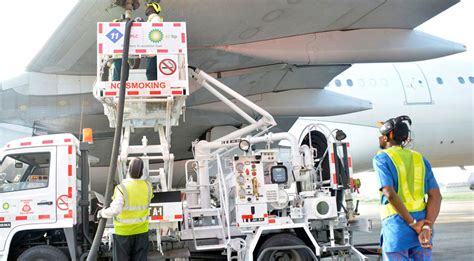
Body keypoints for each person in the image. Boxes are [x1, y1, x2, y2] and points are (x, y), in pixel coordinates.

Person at [374, 115, 442, 261]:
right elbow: (436, 196)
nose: (380, 138)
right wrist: (426, 226)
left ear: (387, 137)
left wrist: (412, 223)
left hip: (397, 227)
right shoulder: (420, 158)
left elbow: (389, 193)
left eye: (381, 136)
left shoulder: (382, 158)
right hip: (423, 228)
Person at [98, 158, 153, 261]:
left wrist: (102, 213)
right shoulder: (148, 187)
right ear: (142, 172)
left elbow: (115, 210)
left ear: (128, 170)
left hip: (123, 234)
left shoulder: (121, 188)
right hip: (142, 232)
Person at [145, 2, 163, 80]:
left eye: (149, 7)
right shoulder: (151, 19)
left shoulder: (155, 19)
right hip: (152, 50)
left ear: (153, 9)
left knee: (151, 71)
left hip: (153, 51)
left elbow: (155, 33)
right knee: (151, 71)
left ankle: (154, 89)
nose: (147, 9)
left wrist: (154, 50)